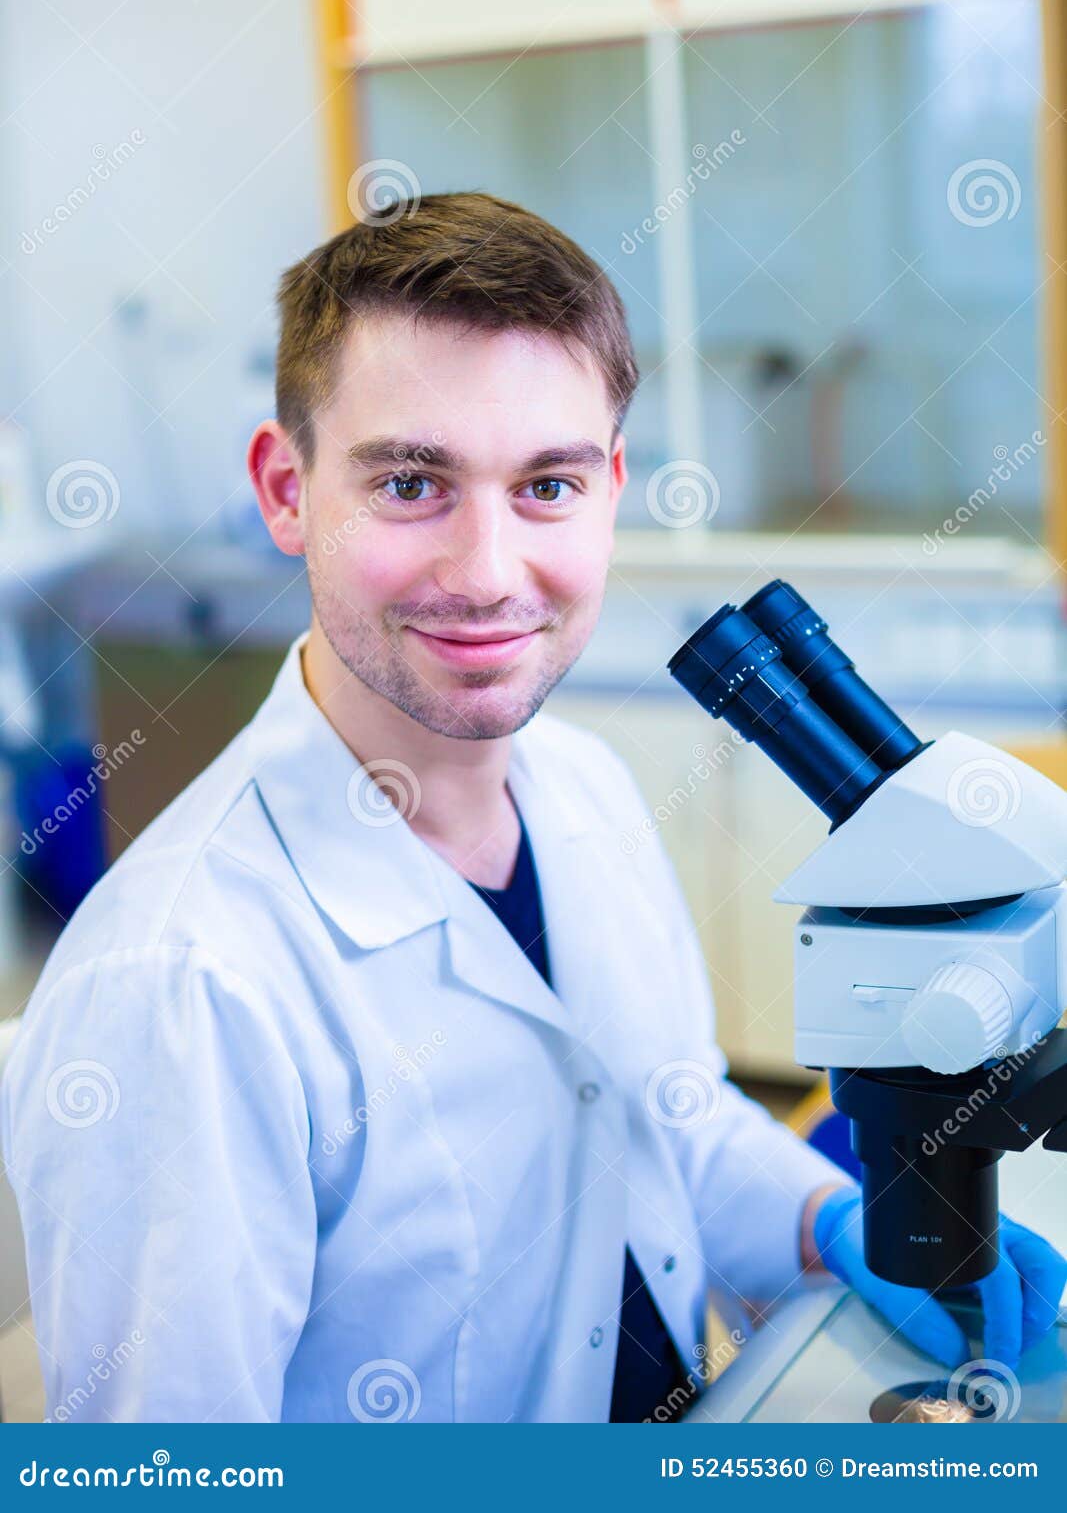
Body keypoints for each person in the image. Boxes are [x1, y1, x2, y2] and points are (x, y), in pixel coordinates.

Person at [2, 194, 1062, 1423]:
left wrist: (824, 1227)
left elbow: (662, 1115)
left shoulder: (586, 784)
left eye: (547, 485)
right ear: (285, 491)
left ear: (612, 488)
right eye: (410, 482)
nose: (490, 571)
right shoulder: (182, 983)